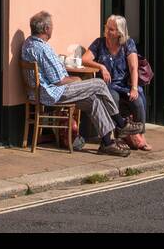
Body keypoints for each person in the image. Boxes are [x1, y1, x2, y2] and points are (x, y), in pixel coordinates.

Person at [21, 11, 142, 157]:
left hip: (41, 92)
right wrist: (77, 80)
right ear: (46, 29)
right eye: (52, 26)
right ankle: (121, 124)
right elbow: (59, 81)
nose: (53, 29)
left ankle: (107, 143)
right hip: (53, 93)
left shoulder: (29, 43)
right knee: (99, 84)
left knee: (93, 100)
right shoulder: (43, 48)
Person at [84, 14, 153, 150]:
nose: (107, 31)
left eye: (111, 29)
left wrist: (133, 87)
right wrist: (101, 67)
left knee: (138, 100)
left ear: (119, 32)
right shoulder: (99, 43)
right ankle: (117, 136)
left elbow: (134, 67)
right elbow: (85, 59)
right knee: (112, 98)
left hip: (125, 84)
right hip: (108, 85)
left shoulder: (128, 43)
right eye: (107, 28)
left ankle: (141, 136)